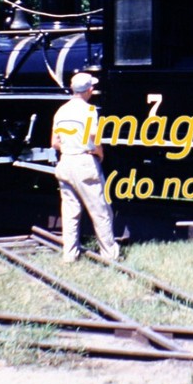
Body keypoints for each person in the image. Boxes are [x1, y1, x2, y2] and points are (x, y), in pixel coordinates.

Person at [51, 72, 120, 263]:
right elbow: (93, 137)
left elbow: (54, 142)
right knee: (100, 210)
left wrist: (68, 147)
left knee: (70, 212)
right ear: (89, 90)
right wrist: (100, 152)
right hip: (84, 162)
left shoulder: (61, 111)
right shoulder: (89, 111)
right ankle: (109, 254)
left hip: (65, 162)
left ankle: (70, 255)